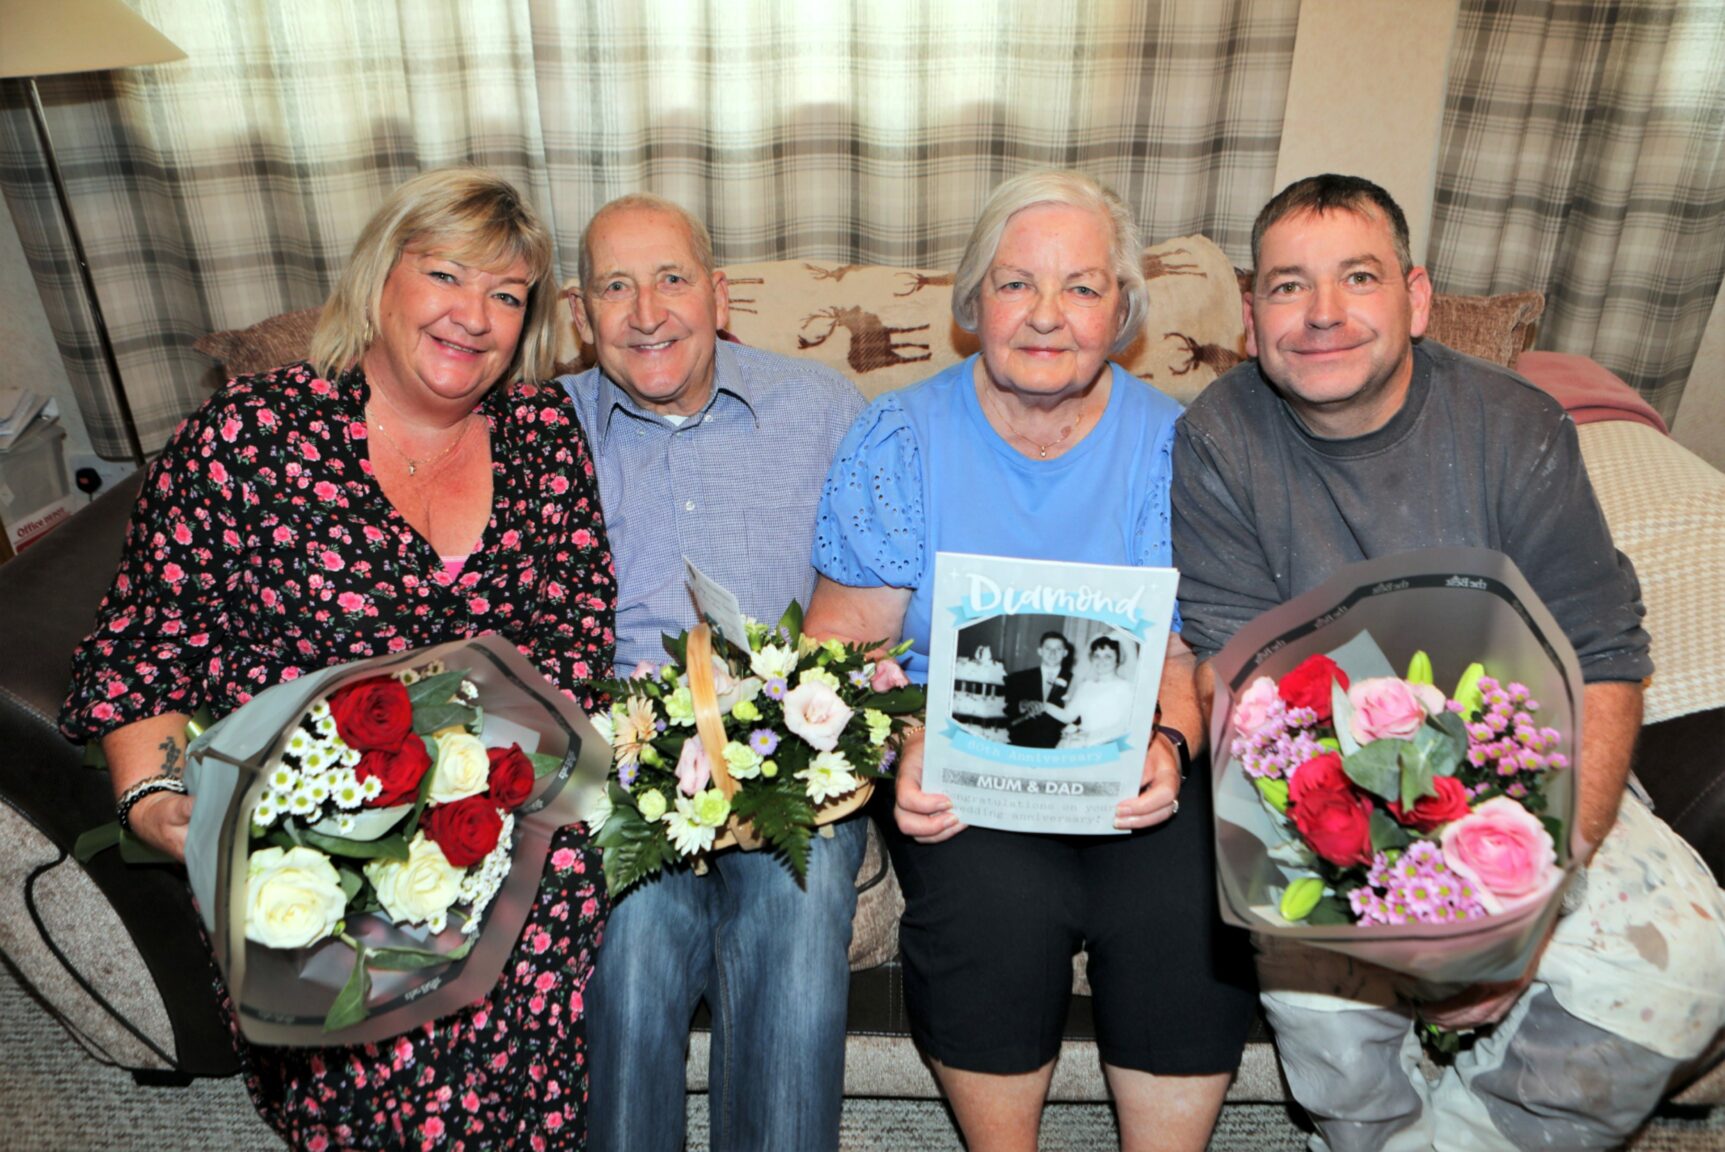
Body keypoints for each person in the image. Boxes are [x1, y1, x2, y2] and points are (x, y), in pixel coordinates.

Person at [58, 167, 617, 1151]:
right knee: (347, 948)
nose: (473, 316)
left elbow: (575, 643)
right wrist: (155, 803)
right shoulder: (252, 434)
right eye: (446, 275)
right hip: (304, 816)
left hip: (495, 798)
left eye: (506, 294)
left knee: (556, 872)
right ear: (381, 278)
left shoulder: (542, 435)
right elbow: (145, 648)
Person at [1172, 172, 1725, 1152]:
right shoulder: (1216, 440)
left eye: (1358, 277)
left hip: (1527, 760)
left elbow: (1603, 657)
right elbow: (1241, 679)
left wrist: (1527, 908)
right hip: (1318, 773)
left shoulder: (1516, 425)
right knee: (1321, 1009)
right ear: (1252, 318)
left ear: (1417, 298)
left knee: (1687, 963)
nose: (1325, 314)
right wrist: (1396, 891)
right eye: (1290, 287)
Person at [803, 169, 1257, 1152]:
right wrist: (899, 743)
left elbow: (1187, 651)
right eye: (1017, 285)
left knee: (1188, 911)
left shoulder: (1180, 447)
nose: (1047, 317)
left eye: (1083, 289)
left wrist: (1174, 742)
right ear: (974, 304)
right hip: (956, 756)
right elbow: (841, 646)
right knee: (994, 909)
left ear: (1124, 313)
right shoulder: (897, 441)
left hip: (1131, 751)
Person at [560, 193, 868, 1152]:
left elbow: (875, 594)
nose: (646, 311)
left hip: (790, 755)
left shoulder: (822, 406)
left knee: (793, 926)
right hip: (622, 760)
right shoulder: (543, 431)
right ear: (581, 315)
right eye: (616, 286)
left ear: (718, 295)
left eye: (670, 279)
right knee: (635, 948)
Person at [1044, 636, 1134, 748]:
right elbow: (1068, 716)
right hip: (1081, 743)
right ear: (1091, 658)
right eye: (1097, 656)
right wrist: (1043, 706)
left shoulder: (1125, 687)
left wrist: (1089, 738)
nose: (1101, 661)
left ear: (1118, 659)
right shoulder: (1085, 686)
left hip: (1107, 746)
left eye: (1108, 656)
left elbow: (1124, 725)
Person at [1004, 631, 1074, 747]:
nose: (1052, 653)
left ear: (1065, 653)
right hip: (1022, 742)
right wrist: (1024, 705)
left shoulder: (1074, 681)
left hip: (1057, 745)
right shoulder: (1017, 678)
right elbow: (1006, 709)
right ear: (1040, 651)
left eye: (1058, 649)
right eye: (1048, 648)